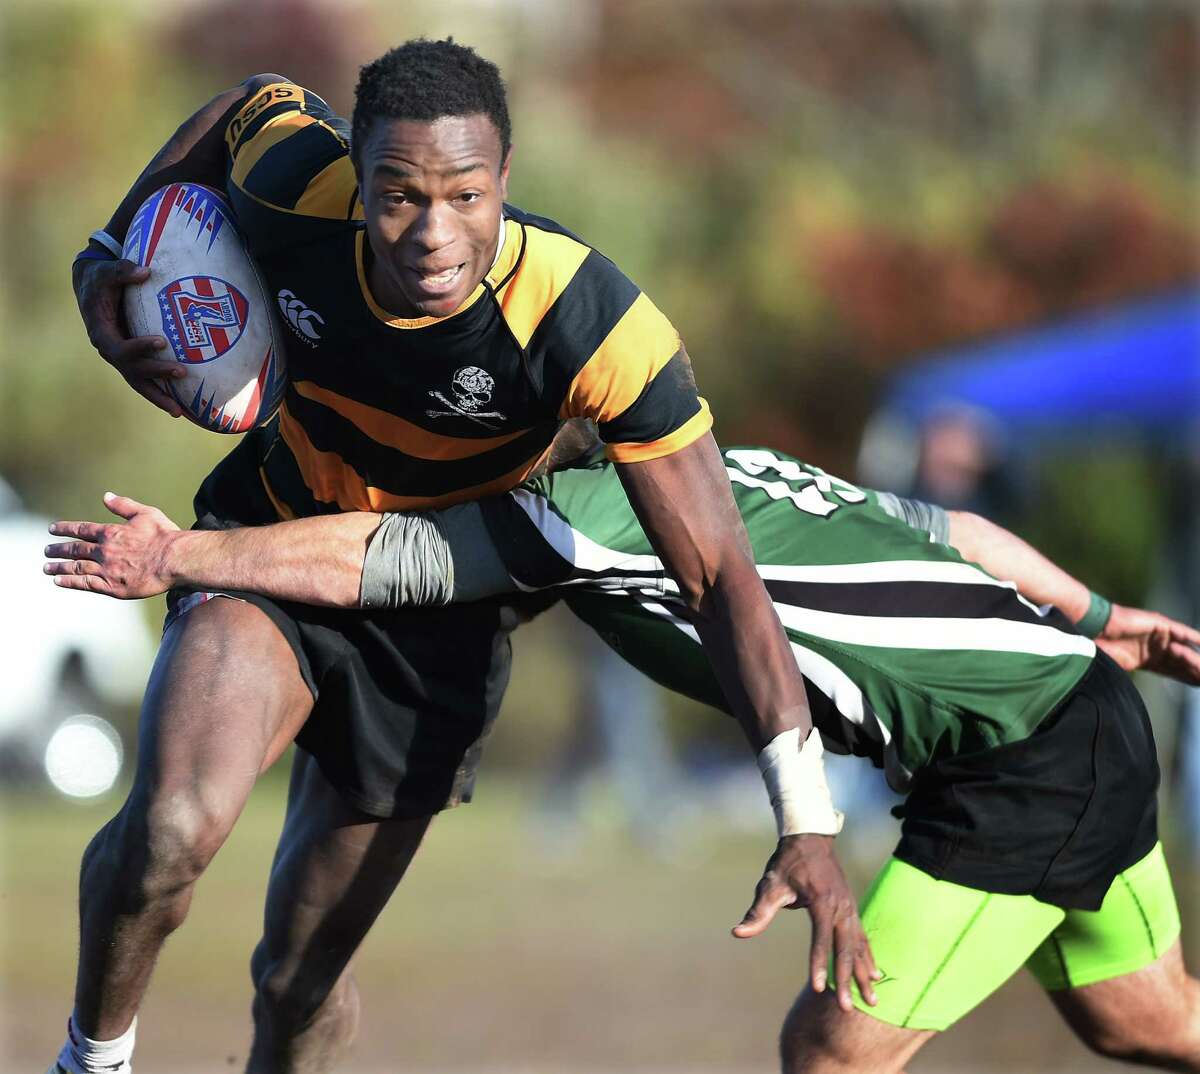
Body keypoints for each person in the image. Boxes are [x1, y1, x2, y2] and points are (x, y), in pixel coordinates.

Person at [62, 40, 866, 1074]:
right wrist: (105, 257)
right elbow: (242, 107)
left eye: (465, 196)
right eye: (398, 197)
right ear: (357, 175)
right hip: (268, 549)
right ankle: (91, 1058)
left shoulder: (592, 323)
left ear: (505, 180)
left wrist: (804, 818)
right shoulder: (295, 184)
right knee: (170, 832)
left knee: (297, 981)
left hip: (440, 616)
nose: (434, 234)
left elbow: (716, 571)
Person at [47, 438, 1200, 1072]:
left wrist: (189, 554)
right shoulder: (725, 469)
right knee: (1143, 1024)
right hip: (1074, 707)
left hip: (1028, 759)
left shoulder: (579, 515)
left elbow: (379, 556)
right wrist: (1107, 620)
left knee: (834, 1050)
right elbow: (960, 536)